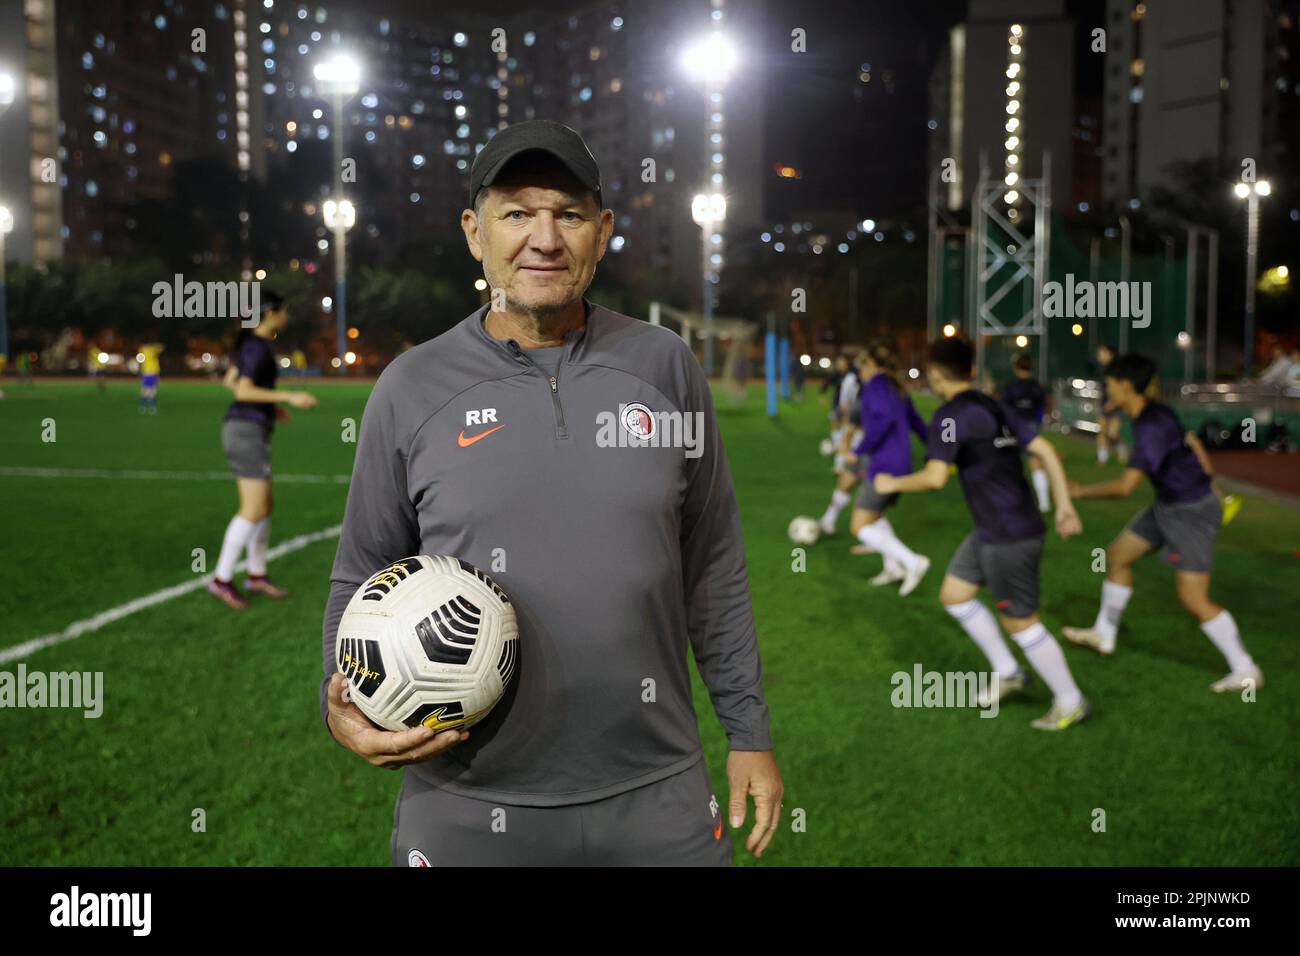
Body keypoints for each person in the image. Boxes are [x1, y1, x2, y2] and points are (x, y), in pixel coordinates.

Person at [320, 119, 783, 866]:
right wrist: (337, 701)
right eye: (517, 213)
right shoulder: (410, 387)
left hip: (657, 793)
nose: (545, 239)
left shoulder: (665, 367)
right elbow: (362, 568)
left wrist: (749, 732)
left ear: (601, 233)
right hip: (467, 801)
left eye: (568, 214)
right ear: (475, 232)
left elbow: (714, 564)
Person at [875, 336, 1090, 730]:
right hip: (996, 527)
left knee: (1021, 622)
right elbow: (1043, 450)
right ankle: (1008, 671)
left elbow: (936, 477)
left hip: (1009, 534)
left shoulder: (950, 415)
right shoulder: (993, 402)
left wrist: (891, 484)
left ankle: (1071, 700)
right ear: (971, 370)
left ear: (936, 375)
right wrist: (1064, 504)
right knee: (955, 596)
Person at [1063, 354, 1263, 693]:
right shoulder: (1152, 413)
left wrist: (1080, 491)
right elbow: (1190, 443)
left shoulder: (1150, 426)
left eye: (1110, 384)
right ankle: (1104, 633)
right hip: (1171, 503)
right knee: (1117, 557)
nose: (1106, 390)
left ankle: (1246, 669)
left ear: (1126, 386)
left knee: (1193, 599)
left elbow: (1126, 487)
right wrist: (1209, 480)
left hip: (1189, 511)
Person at [208, 290, 317, 610]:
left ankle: (256, 575)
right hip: (244, 432)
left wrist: (269, 408)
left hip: (251, 428)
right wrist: (288, 397)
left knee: (264, 507)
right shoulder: (256, 347)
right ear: (271, 313)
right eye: (284, 311)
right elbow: (241, 389)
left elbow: (230, 380)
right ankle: (221, 579)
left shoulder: (250, 345)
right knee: (252, 509)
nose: (287, 317)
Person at [841, 342, 930, 593]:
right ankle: (894, 569)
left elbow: (882, 421)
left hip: (885, 466)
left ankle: (913, 562)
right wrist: (934, 450)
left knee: (859, 526)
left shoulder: (875, 387)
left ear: (871, 365)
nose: (860, 372)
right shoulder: (896, 387)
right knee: (877, 517)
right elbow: (917, 423)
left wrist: (857, 451)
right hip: (901, 463)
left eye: (862, 367)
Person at [1002, 353, 1052, 512]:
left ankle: (1011, 501)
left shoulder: (1010, 386)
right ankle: (1044, 502)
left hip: (1013, 427)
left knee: (1010, 464)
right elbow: (1043, 407)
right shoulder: (1037, 386)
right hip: (1031, 427)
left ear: (1016, 368)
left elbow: (1003, 408)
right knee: (1035, 462)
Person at [1092, 343, 1124, 464]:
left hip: (1117, 405)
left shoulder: (1117, 370)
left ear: (1111, 354)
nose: (1099, 356)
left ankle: (1121, 448)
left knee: (1113, 433)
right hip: (1104, 404)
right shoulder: (1102, 369)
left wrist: (1113, 402)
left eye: (1102, 353)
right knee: (1102, 431)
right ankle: (1102, 458)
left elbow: (1120, 388)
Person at [138, 342, 164, 414]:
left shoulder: (143, 350)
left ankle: (144, 407)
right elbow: (161, 347)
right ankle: (151, 407)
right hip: (151, 373)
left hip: (148, 373)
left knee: (146, 391)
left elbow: (140, 361)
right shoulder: (152, 349)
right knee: (151, 391)